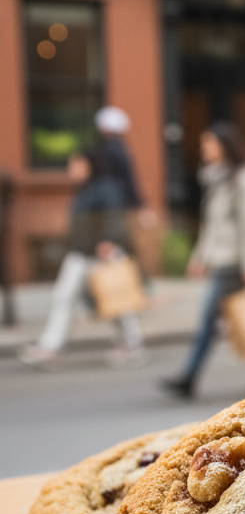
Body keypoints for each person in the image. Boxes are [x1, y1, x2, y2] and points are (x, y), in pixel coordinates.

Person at [162, 122, 245, 398]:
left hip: (235, 262)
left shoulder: (244, 178)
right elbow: (212, 226)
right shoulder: (216, 178)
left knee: (209, 320)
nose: (204, 148)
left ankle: (189, 377)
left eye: (209, 143)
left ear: (225, 146)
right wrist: (200, 258)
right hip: (223, 259)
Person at [19, 106, 148, 367]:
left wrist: (109, 242)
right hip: (81, 252)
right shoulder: (85, 189)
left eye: (76, 163)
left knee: (117, 301)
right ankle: (50, 346)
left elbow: (113, 215)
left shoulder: (105, 186)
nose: (72, 168)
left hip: (101, 252)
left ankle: (132, 345)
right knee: (64, 297)